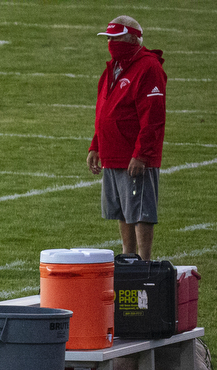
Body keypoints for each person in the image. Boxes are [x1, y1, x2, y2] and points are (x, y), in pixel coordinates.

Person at [87, 17, 166, 259]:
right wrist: (96, 144)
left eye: (115, 38)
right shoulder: (113, 68)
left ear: (132, 39)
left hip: (134, 154)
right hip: (113, 152)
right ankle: (128, 255)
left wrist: (141, 154)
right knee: (123, 209)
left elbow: (153, 117)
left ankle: (144, 260)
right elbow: (104, 110)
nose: (110, 43)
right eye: (108, 38)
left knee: (140, 210)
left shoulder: (148, 68)